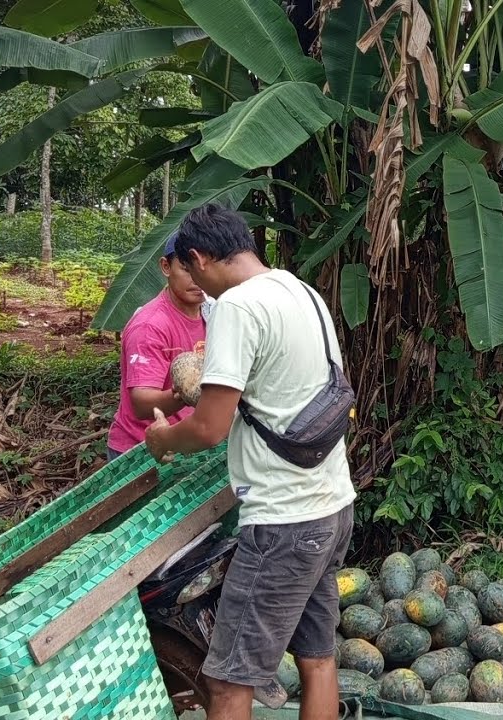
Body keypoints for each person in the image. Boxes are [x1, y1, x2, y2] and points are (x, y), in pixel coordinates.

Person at [144, 205, 355, 720]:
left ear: (198, 257)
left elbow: (211, 426)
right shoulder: (302, 291)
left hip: (282, 520)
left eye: (193, 272)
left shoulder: (238, 307)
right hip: (333, 507)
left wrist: (162, 437)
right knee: (318, 660)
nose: (200, 287)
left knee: (227, 679)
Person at [105, 233, 208, 461]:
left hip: (182, 445)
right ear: (165, 267)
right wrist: (189, 394)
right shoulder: (150, 325)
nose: (197, 279)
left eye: (204, 268)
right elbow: (142, 404)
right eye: (186, 269)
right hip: (140, 451)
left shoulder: (214, 312)